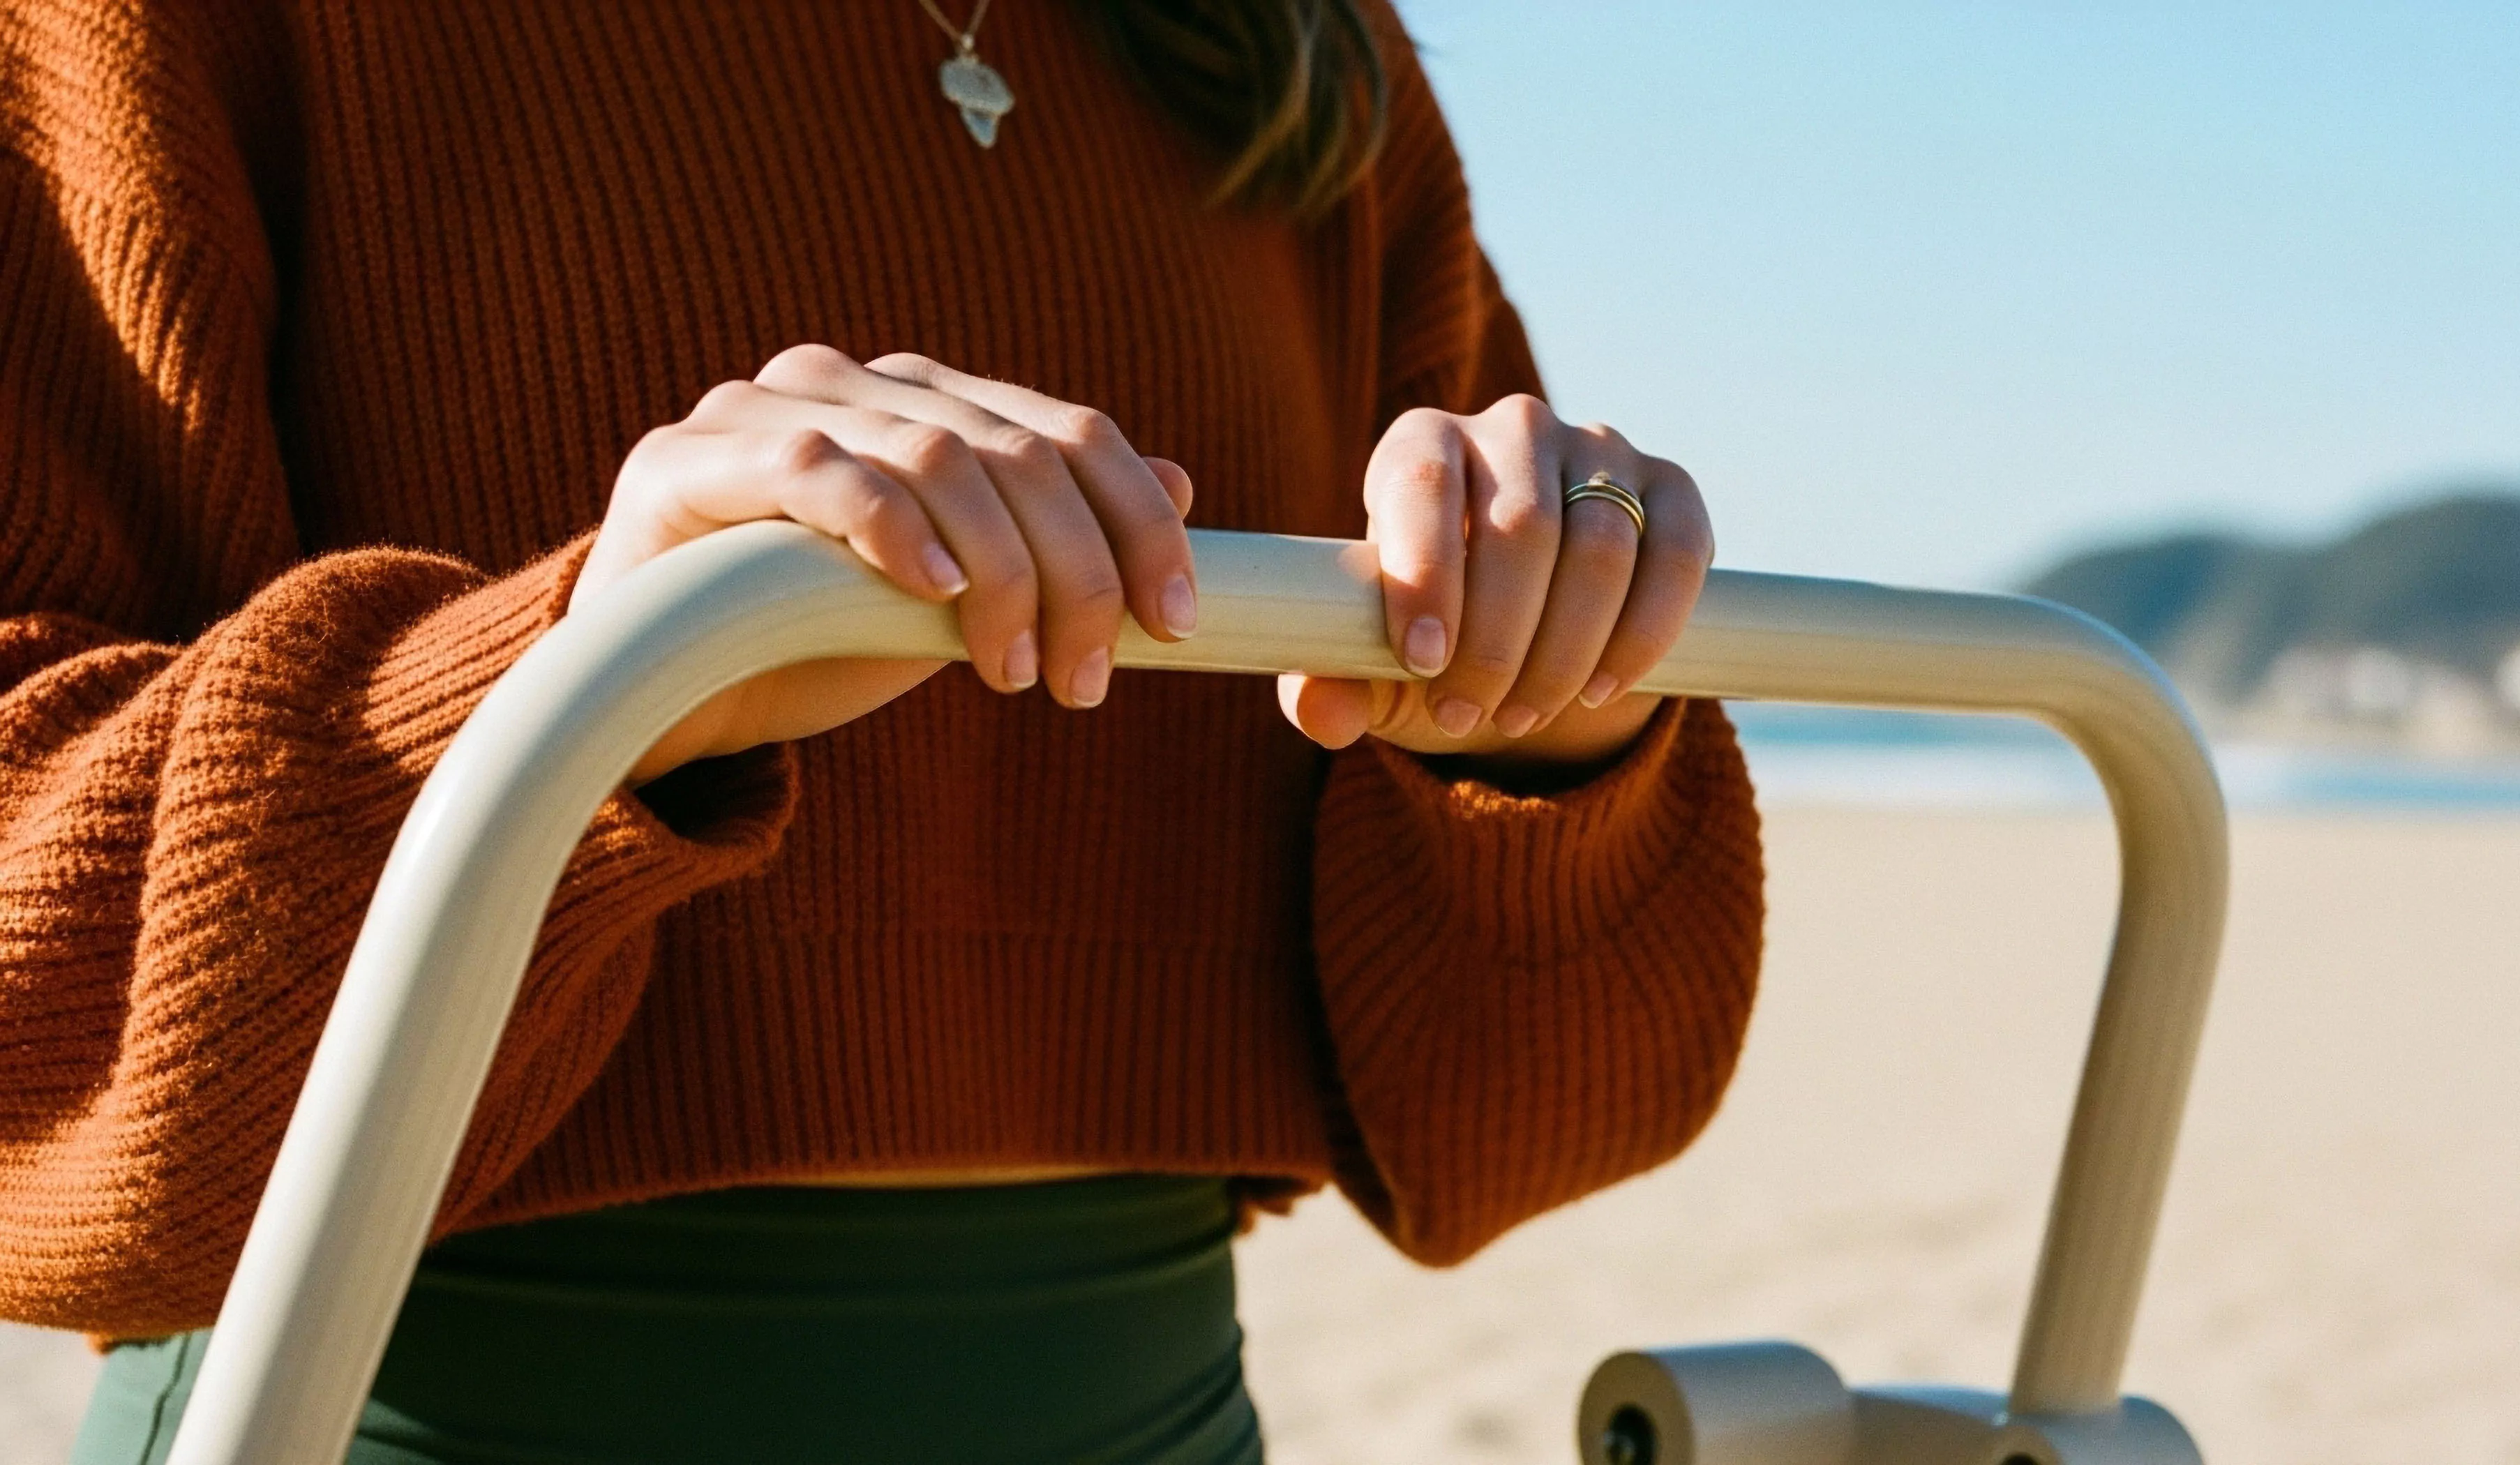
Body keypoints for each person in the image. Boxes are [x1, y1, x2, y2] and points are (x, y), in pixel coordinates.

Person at [0, 1, 1765, 1459]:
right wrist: (584, 683)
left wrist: (1547, 716)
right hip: (368, 1402)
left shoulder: (1298, 49)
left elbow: (1522, 1123)